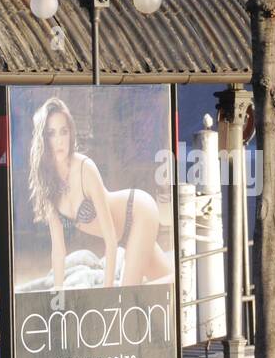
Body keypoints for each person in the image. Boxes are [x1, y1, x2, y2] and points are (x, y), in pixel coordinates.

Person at [27, 96, 174, 290]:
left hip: (137, 211)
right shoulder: (49, 185)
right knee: (169, 281)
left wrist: (107, 290)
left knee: (126, 293)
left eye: (64, 131)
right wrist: (58, 292)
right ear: (43, 139)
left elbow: (110, 240)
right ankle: (184, 278)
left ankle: (178, 279)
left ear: (71, 133)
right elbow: (58, 250)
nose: (59, 140)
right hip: (125, 234)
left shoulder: (85, 168)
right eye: (52, 133)